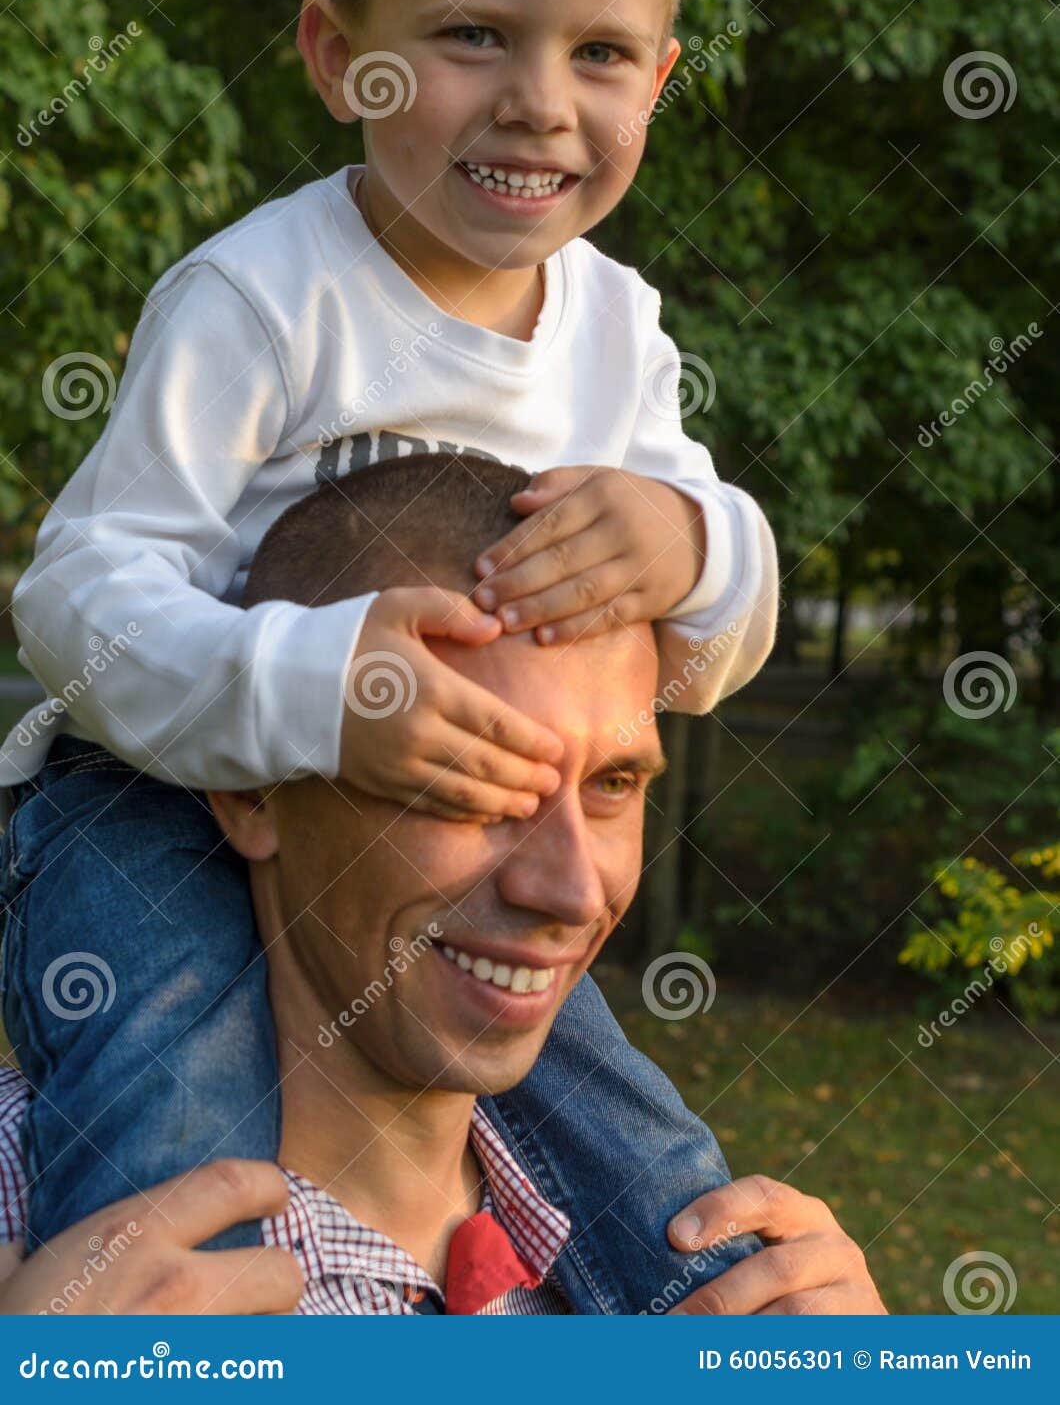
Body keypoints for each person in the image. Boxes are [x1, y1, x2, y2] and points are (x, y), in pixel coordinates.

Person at [0, 0, 777, 1302]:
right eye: (475, 35)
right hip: (153, 795)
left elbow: (701, 650)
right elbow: (80, 596)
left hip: (457, 841)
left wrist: (699, 547)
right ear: (336, 52)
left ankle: (714, 1328)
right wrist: (313, 683)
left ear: (664, 76)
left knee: (629, 1137)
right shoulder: (258, 297)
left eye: (602, 53)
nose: (541, 104)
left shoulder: (618, 333)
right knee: (175, 1109)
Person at [0, 458, 883, 1316]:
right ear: (254, 789)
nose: (573, 891)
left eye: (613, 784)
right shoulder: (43, 1241)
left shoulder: (707, 1277)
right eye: (467, 782)